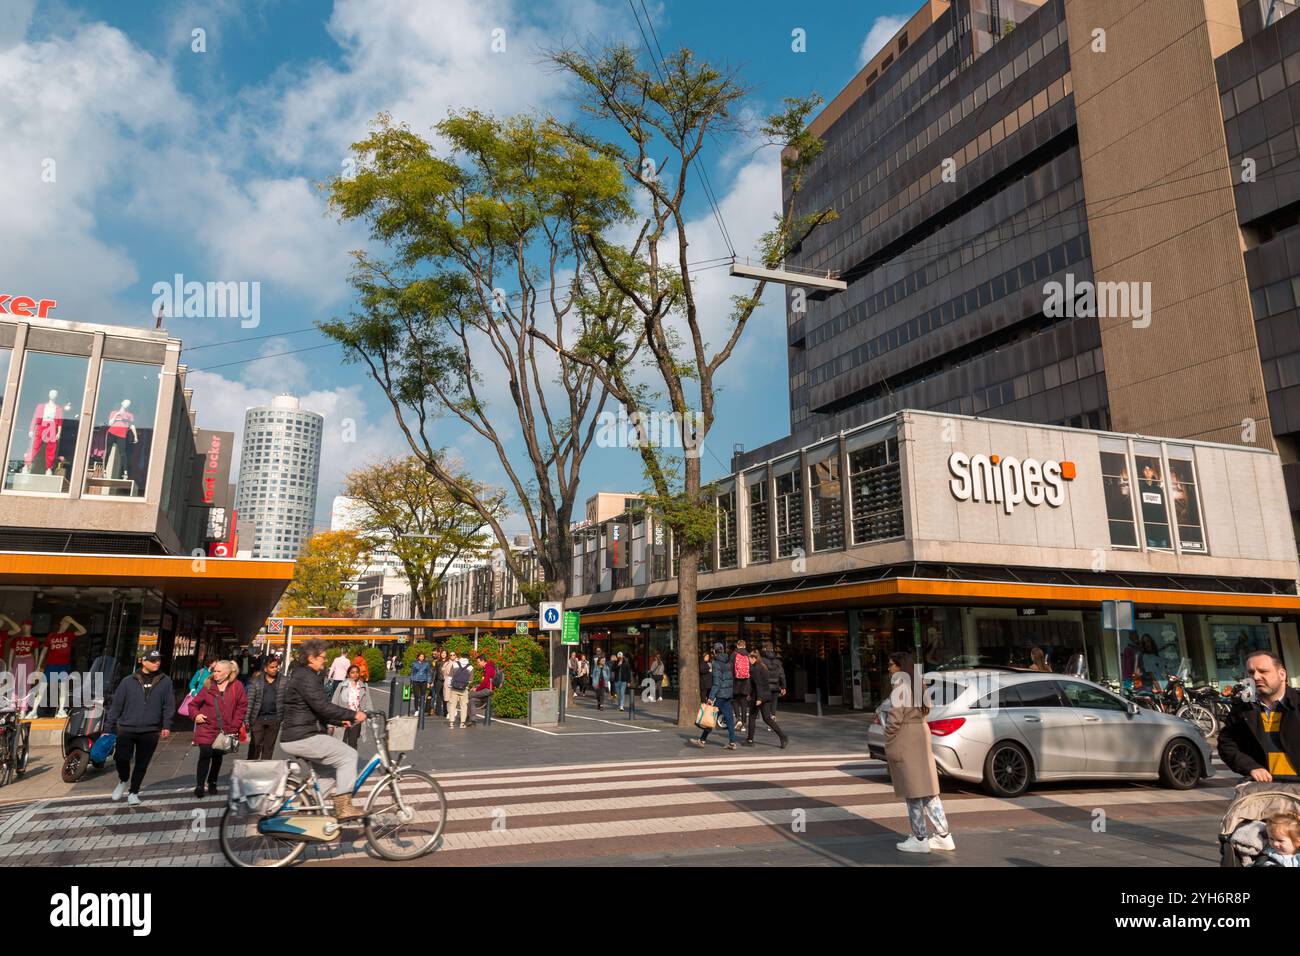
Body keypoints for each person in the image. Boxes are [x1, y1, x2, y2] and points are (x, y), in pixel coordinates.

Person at [279, 637, 369, 821]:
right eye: (322, 657)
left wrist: (337, 722)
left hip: (299, 733)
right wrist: (352, 714)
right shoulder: (306, 677)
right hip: (302, 735)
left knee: (328, 772)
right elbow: (321, 706)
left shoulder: (305, 675)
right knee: (349, 756)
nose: (325, 660)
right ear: (311, 658)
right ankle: (344, 808)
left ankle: (306, 811)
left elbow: (314, 708)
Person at [885, 651, 954, 853]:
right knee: (928, 790)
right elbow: (928, 708)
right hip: (921, 734)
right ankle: (943, 835)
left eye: (891, 665)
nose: (889, 669)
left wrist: (888, 739)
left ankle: (920, 837)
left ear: (900, 667)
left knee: (913, 790)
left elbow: (894, 719)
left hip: (906, 737)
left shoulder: (900, 687)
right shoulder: (919, 684)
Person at [1218, 650, 1300, 782]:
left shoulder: (1297, 704)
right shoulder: (1242, 709)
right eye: (1251, 672)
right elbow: (1226, 745)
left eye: (1263, 671)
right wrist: (1251, 767)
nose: (1256, 677)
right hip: (1264, 791)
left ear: (1282, 674)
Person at [106, 650, 175, 806]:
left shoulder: (165, 681)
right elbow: (116, 705)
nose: (157, 662)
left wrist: (166, 725)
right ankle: (123, 779)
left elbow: (168, 705)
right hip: (127, 728)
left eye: (158, 660)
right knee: (121, 758)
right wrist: (108, 727)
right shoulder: (127, 681)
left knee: (142, 763)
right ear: (143, 662)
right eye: (153, 660)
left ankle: (134, 792)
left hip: (150, 730)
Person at [190, 659, 248, 799]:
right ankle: (199, 785)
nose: (214, 673)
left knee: (217, 755)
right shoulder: (208, 685)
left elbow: (242, 707)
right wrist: (196, 715)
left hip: (225, 729)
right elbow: (193, 705)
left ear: (227, 673)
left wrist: (235, 725)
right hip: (206, 727)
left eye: (218, 671)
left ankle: (212, 782)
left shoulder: (237, 686)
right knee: (205, 753)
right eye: (214, 670)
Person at [690, 642, 737, 750]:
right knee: (729, 718)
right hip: (728, 694)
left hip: (720, 694)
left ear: (714, 651)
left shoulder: (716, 663)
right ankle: (732, 742)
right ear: (723, 650)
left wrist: (711, 697)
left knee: (711, 716)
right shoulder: (729, 661)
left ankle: (702, 740)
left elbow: (717, 683)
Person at [743, 648, 788, 749]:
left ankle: (750, 740)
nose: (748, 661)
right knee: (767, 718)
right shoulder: (763, 667)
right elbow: (762, 683)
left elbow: (758, 684)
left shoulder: (755, 669)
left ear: (754, 658)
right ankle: (783, 736)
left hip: (759, 696)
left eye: (749, 659)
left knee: (752, 717)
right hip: (767, 695)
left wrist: (758, 698)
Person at [244, 654, 283, 760]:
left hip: (274, 719)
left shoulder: (283, 681)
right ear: (265, 668)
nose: (275, 669)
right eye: (272, 667)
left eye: (276, 667)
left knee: (268, 749)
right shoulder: (256, 681)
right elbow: (250, 701)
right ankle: (251, 772)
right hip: (258, 719)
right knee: (255, 746)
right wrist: (246, 719)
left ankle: (264, 772)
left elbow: (287, 700)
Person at [332, 665, 374, 748]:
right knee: (341, 743)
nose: (355, 674)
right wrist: (331, 722)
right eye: (352, 672)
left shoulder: (364, 686)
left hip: (356, 719)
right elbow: (334, 701)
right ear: (348, 675)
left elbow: (368, 702)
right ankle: (342, 760)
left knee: (353, 743)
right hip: (343, 717)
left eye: (357, 672)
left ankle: (352, 759)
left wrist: (370, 716)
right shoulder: (341, 686)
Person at [468, 654, 497, 726]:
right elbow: (485, 682)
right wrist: (477, 687)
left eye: (478, 662)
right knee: (472, 700)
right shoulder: (487, 667)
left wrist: (476, 689)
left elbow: (485, 681)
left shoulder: (488, 668)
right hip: (487, 689)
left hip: (487, 690)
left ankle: (465, 716)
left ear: (483, 661)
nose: (478, 664)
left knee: (469, 694)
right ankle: (473, 720)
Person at [447, 653, 473, 729]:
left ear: (461, 657)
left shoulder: (455, 664)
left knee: (452, 705)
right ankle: (462, 723)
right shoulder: (470, 667)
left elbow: (450, 677)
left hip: (454, 688)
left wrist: (450, 685)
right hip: (464, 689)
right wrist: (466, 686)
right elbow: (470, 680)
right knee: (464, 706)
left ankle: (451, 723)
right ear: (468, 658)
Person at [761, 643, 786, 714]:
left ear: (764, 649)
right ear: (772, 650)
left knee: (765, 703)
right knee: (774, 702)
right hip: (776, 685)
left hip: (765, 686)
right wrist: (784, 686)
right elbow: (782, 675)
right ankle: (773, 715)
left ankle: (768, 717)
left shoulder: (762, 661)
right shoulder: (778, 661)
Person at [732, 639, 750, 734]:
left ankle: (738, 719)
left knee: (735, 701)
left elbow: (731, 669)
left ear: (738, 645)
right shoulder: (748, 655)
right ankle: (743, 724)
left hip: (736, 682)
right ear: (745, 646)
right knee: (744, 703)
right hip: (745, 683)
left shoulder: (734, 655)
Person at [410, 652, 433, 717]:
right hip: (416, 680)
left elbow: (428, 673)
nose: (421, 658)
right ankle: (416, 710)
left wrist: (429, 682)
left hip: (424, 681)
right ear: (418, 657)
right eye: (420, 656)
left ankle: (421, 708)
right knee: (416, 696)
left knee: (423, 696)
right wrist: (411, 681)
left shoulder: (426, 664)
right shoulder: (414, 663)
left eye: (423, 657)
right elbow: (412, 672)